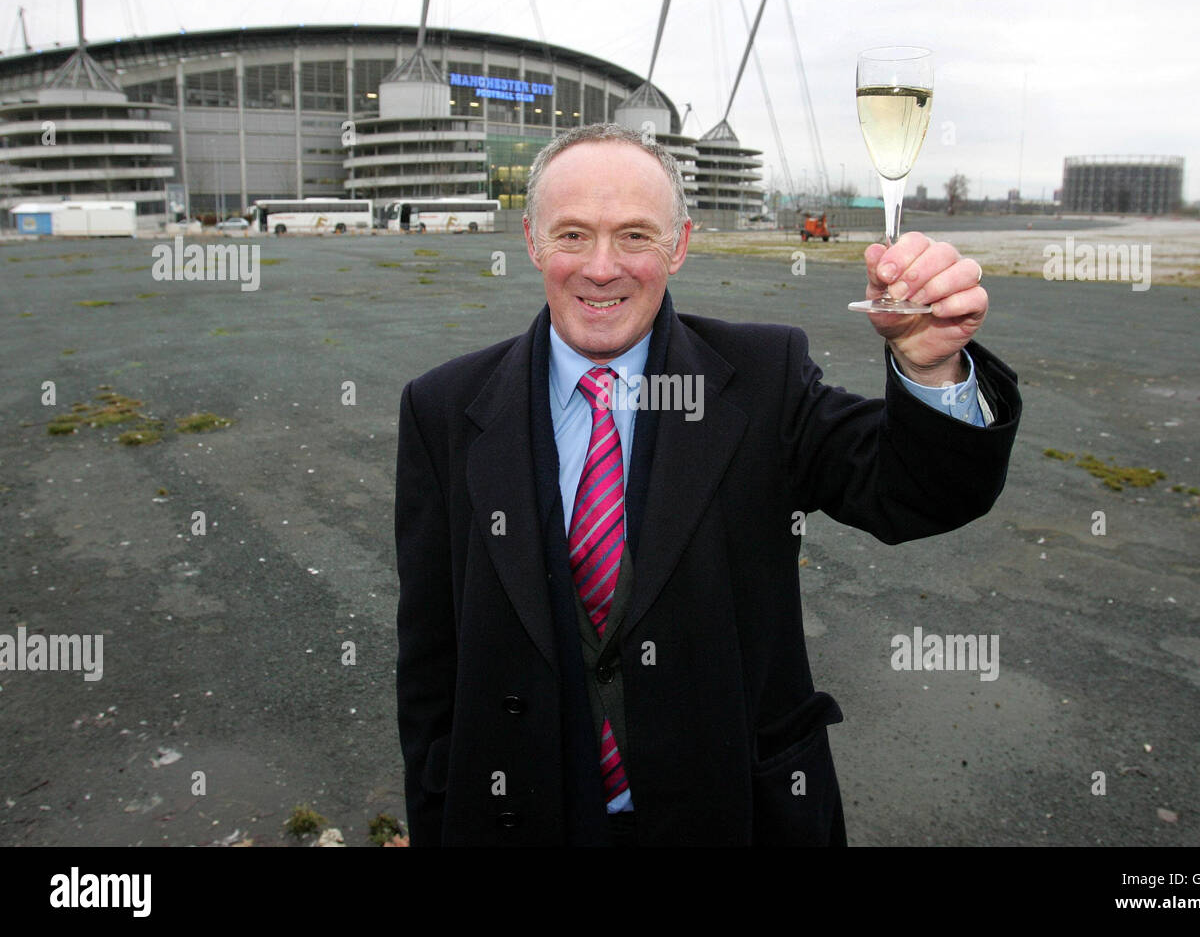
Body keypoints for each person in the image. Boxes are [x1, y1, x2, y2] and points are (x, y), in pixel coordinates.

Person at [395, 122, 1021, 846]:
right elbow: (430, 666)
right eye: (572, 235)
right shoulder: (444, 408)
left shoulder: (762, 378)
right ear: (532, 241)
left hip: (735, 818)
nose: (603, 268)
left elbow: (918, 491)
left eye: (635, 235)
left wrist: (931, 366)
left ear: (680, 245)